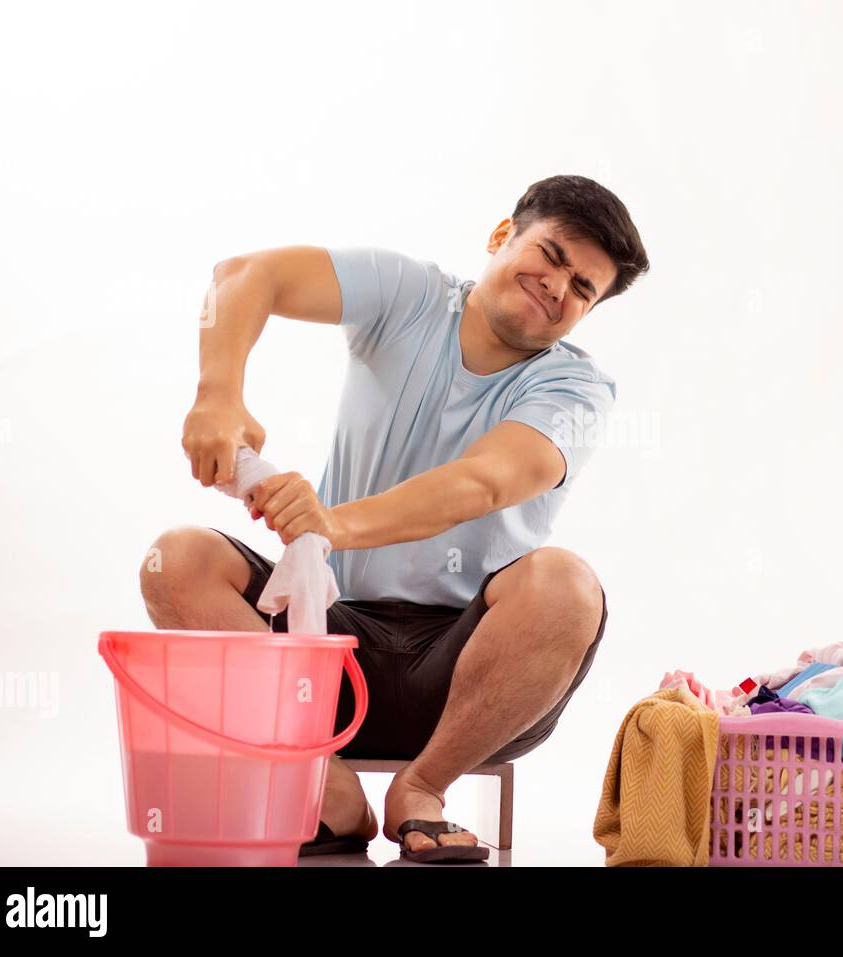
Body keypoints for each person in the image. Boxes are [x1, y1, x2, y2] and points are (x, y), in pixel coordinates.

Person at [141, 174, 649, 862]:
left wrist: (331, 523)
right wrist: (218, 393)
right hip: (325, 650)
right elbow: (245, 274)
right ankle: (327, 787)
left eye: (583, 288)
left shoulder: (577, 389)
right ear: (503, 236)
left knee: (568, 584)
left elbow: (480, 481)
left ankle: (422, 788)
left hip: (469, 670)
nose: (560, 288)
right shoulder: (411, 296)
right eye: (553, 257)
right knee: (176, 559)